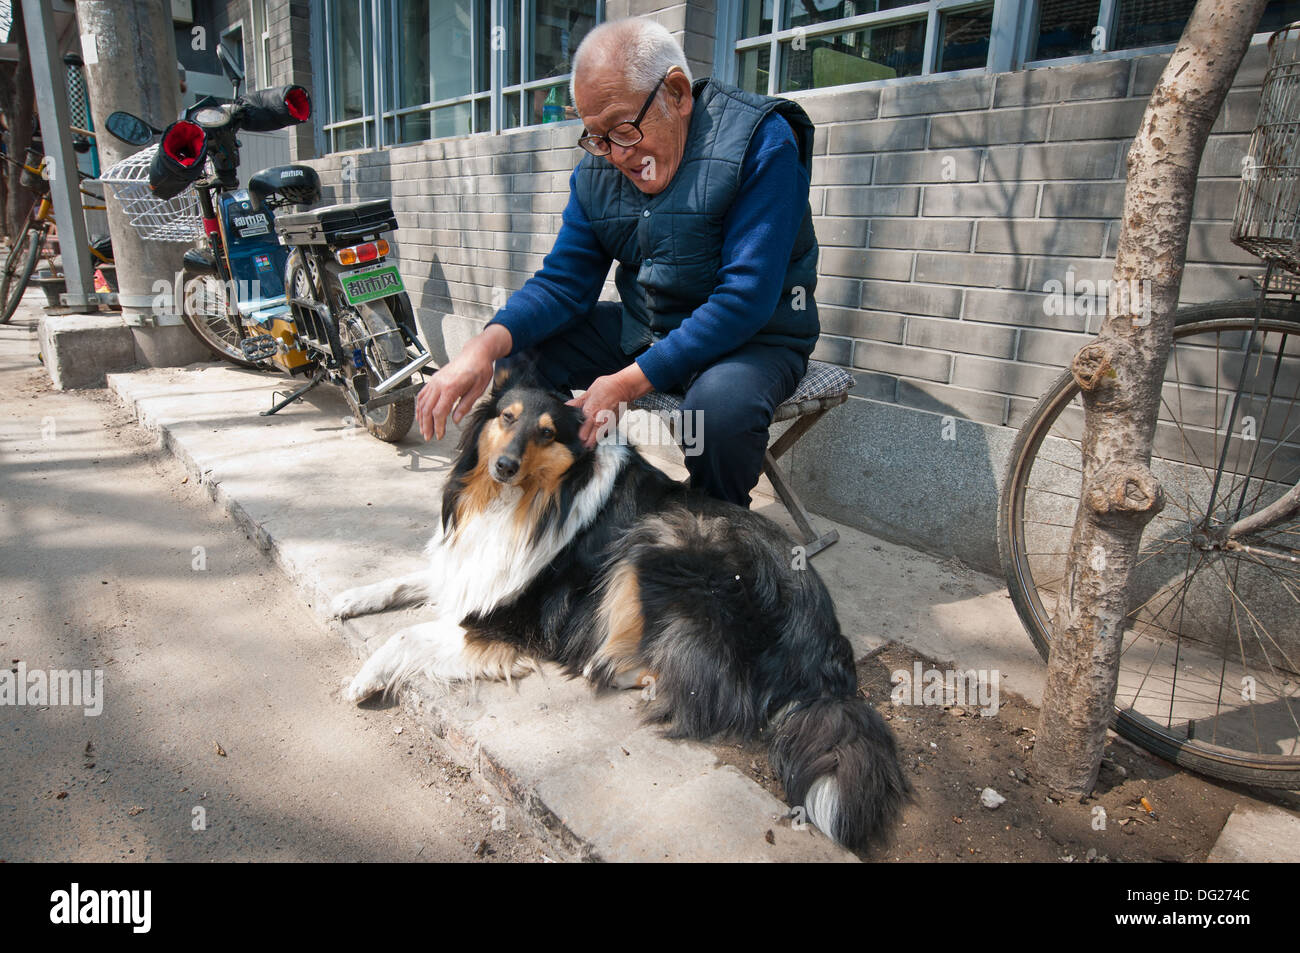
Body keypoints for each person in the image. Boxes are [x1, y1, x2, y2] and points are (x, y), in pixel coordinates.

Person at [416, 16, 820, 507]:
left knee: (719, 412)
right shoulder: (599, 169)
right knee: (520, 355)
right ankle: (554, 502)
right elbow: (563, 284)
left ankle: (713, 534)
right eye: (596, 137)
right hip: (645, 326)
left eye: (622, 130)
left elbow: (746, 298)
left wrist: (627, 383)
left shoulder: (761, 141)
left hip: (752, 339)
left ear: (676, 93)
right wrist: (480, 349)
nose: (613, 155)